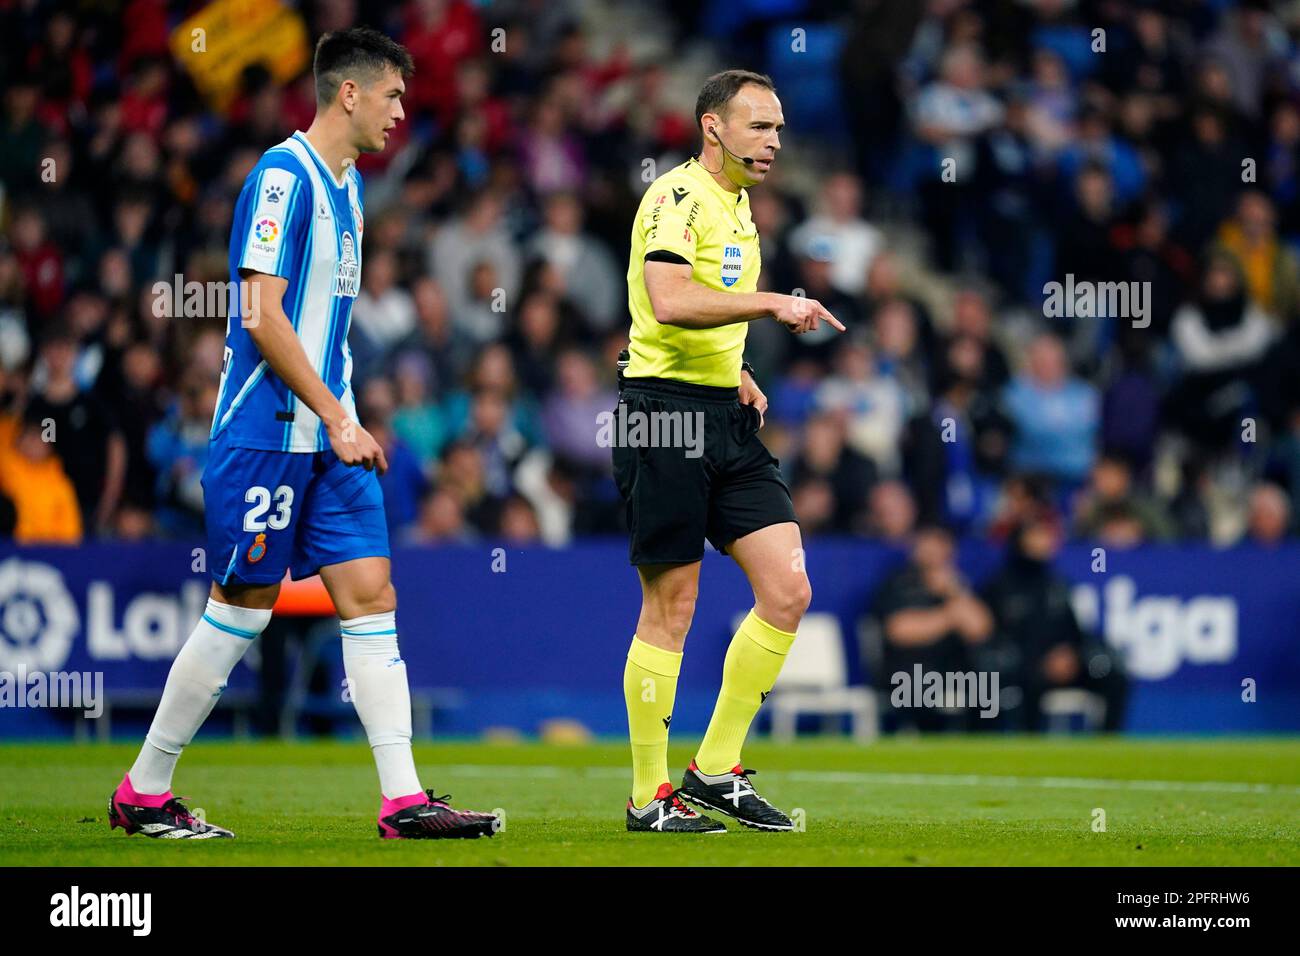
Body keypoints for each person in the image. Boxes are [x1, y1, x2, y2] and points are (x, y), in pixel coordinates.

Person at [108, 28, 496, 841]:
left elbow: (328, 330)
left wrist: (344, 415)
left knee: (371, 595)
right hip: (264, 432)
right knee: (244, 611)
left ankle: (404, 801)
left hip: (329, 436)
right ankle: (144, 789)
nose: (401, 113)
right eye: (392, 95)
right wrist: (335, 414)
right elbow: (260, 312)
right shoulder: (283, 178)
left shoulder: (349, 188)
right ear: (347, 93)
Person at [615, 69, 845, 833]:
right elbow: (669, 300)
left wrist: (737, 369)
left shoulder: (740, 210)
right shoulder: (675, 197)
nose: (774, 141)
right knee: (672, 605)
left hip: (724, 418)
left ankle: (713, 769)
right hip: (663, 418)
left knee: (788, 589)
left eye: (778, 128)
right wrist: (775, 303)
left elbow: (699, 316)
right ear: (713, 128)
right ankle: (649, 795)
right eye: (758, 127)